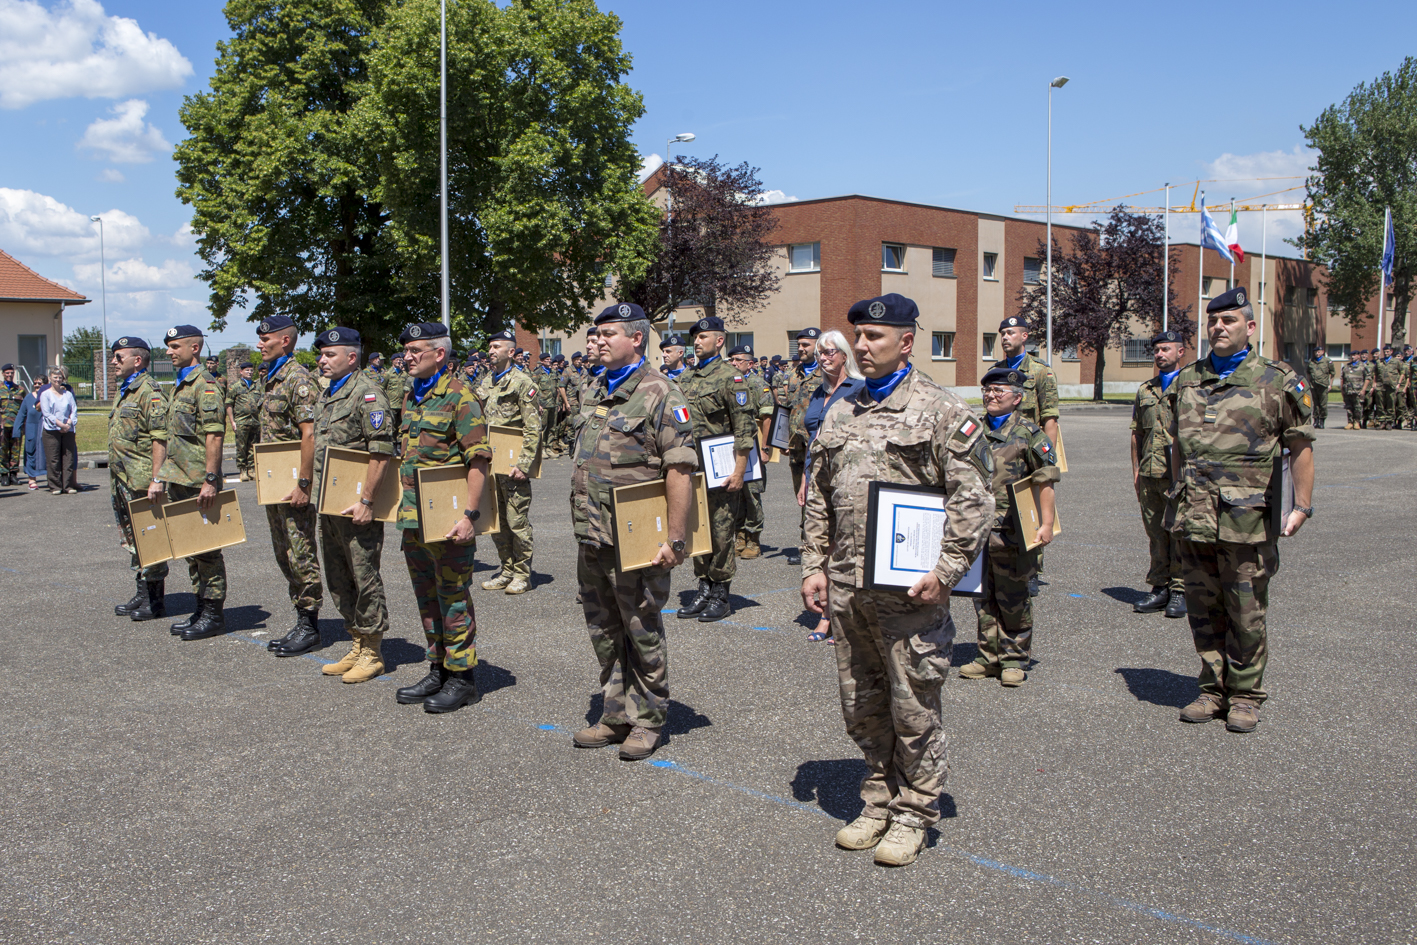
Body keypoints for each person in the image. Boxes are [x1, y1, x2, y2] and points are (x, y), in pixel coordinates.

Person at [801, 292, 993, 867]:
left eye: (874, 337)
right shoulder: (842, 409)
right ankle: (879, 796)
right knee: (862, 701)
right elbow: (821, 497)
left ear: (906, 341)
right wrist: (813, 564)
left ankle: (915, 812)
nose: (862, 346)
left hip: (911, 592)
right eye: (857, 335)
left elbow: (975, 499)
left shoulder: (940, 410)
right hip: (848, 586)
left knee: (913, 705)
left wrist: (947, 570)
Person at [1170, 287, 1314, 733]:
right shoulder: (1187, 379)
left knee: (1246, 610)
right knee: (1203, 605)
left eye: (1229, 320)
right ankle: (1213, 689)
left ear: (1250, 327)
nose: (1218, 328)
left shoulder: (1278, 379)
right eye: (1214, 321)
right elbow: (1177, 443)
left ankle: (1246, 696)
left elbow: (1300, 447)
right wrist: (1177, 489)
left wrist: (1302, 506)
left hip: (1247, 518)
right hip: (1194, 514)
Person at [569, 302, 698, 761]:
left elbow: (680, 470)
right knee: (604, 627)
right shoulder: (593, 389)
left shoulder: (662, 393)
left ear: (637, 338)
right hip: (593, 533)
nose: (599, 340)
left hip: (638, 537)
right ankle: (615, 711)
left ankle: (648, 718)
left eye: (610, 333)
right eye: (597, 334)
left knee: (640, 625)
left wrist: (676, 539)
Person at [392, 321, 492, 714]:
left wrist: (470, 515)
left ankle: (463, 678)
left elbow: (479, 461)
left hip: (449, 522)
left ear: (440, 354)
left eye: (417, 350)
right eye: (407, 350)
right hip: (415, 520)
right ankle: (438, 667)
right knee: (426, 597)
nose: (408, 356)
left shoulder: (459, 397)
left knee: (452, 598)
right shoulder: (411, 397)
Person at [958, 366, 1059, 686]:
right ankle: (988, 656)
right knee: (982, 595)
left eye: (999, 391)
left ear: (1017, 398)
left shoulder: (1030, 434)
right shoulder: (970, 429)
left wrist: (1046, 525)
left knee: (1013, 597)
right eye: (987, 391)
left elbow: (1045, 482)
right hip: (976, 529)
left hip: (1012, 531)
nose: (991, 396)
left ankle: (1014, 657)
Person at [310, 328, 395, 684]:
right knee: (337, 576)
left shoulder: (368, 393)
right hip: (329, 502)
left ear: (352, 356)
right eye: (322, 355)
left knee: (364, 577)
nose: (322, 360)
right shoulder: (327, 393)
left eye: (330, 354)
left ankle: (373, 650)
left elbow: (381, 451)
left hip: (356, 505)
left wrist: (367, 500)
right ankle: (356, 641)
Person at [151, 325, 229, 640]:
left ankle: (214, 614)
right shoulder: (180, 384)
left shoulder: (205, 385)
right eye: (168, 346)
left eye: (175, 346)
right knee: (191, 550)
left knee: (207, 550)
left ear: (194, 348)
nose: (170, 351)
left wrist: (211, 479)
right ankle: (200, 608)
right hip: (179, 478)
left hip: (199, 481)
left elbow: (214, 434)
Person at [253, 316, 325, 657]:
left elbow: (309, 434)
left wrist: (304, 483)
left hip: (295, 482)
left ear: (285, 341)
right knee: (283, 551)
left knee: (300, 552)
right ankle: (300, 614)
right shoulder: (268, 378)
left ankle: (309, 624)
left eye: (265, 339)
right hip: (274, 482)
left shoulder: (298, 379)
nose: (259, 344)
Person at [676, 316, 755, 622]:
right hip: (691, 467)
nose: (697, 341)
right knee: (696, 528)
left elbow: (744, 427)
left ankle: (721, 592)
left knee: (721, 530)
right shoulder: (685, 378)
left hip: (720, 469)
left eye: (703, 337)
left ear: (719, 341)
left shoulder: (731, 378)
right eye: (694, 337)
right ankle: (704, 587)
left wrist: (739, 470)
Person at [795, 330, 866, 643]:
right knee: (818, 544)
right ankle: (827, 611)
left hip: (848, 480)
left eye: (830, 352)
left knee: (844, 548)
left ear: (844, 355)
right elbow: (813, 440)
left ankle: (837, 617)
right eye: (820, 353)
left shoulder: (859, 388)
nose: (824, 358)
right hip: (816, 479)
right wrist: (804, 478)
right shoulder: (816, 393)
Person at [108, 336, 170, 622]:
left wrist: (157, 478)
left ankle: (155, 600)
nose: (113, 362)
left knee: (151, 537)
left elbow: (160, 439)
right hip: (123, 477)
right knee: (133, 537)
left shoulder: (150, 392)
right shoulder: (126, 390)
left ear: (138, 360)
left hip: (142, 479)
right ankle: (142, 590)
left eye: (119, 357)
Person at [476, 329, 542, 595]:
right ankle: (506, 570)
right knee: (497, 521)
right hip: (492, 463)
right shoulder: (487, 382)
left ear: (511, 352)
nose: (491, 351)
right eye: (490, 346)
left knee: (517, 522)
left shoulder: (522, 383)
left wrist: (524, 464)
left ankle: (522, 575)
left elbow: (533, 428)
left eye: (496, 346)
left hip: (513, 465)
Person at [1129, 330, 1188, 618]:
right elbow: (1136, 435)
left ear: (1181, 353)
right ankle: (1160, 587)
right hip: (1150, 474)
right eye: (1156, 350)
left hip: (1179, 476)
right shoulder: (1145, 391)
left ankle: (1180, 589)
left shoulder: (1191, 388)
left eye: (1166, 349)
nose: (1160, 354)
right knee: (1155, 533)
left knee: (1178, 532)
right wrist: (1136, 471)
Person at [778, 328, 823, 567]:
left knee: (818, 495)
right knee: (802, 496)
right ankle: (806, 544)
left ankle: (816, 545)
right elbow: (784, 409)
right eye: (800, 345)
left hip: (817, 445)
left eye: (806, 344)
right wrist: (781, 440)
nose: (801, 349)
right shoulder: (791, 374)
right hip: (796, 446)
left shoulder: (826, 372)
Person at [728, 343, 772, 560]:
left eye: (739, 360)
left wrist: (765, 448)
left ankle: (754, 538)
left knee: (752, 494)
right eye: (732, 360)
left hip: (753, 446)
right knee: (735, 492)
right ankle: (740, 536)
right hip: (734, 446)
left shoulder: (758, 385)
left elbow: (767, 418)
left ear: (751, 363)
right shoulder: (729, 382)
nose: (734, 364)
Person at [39, 367, 78, 494]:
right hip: (51, 430)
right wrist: (60, 425)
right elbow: (47, 413)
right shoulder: (45, 394)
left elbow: (74, 410)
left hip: (68, 429)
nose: (57, 380)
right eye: (55, 377)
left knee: (68, 457)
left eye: (60, 377)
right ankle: (55, 486)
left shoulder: (68, 394)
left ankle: (68, 485)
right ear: (50, 378)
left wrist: (68, 424)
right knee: (53, 458)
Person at [226, 362, 261, 480]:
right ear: (241, 372)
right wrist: (232, 421)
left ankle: (251, 469)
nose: (250, 372)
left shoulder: (257, 386)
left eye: (251, 370)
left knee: (253, 447)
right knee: (241, 447)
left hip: (255, 421)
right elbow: (229, 404)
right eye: (247, 370)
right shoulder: (235, 386)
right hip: (241, 421)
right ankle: (242, 470)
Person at [12, 378, 46, 490]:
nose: (36, 385)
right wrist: (16, 432)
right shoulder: (28, 398)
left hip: (45, 429)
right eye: (35, 383)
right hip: (31, 429)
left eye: (39, 383)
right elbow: (21, 415)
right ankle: (32, 479)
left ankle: (52, 479)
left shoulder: (48, 396)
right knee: (30, 454)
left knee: (48, 454)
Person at [0, 364, 24, 486]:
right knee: (3, 450)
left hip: (16, 425)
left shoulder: (20, 389)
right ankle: (4, 475)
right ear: (3, 373)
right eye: (7, 373)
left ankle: (13, 474)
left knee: (15, 450)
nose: (9, 375)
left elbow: (24, 409)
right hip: (2, 426)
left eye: (11, 373)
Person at [1305, 345, 1333, 430]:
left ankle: (1322, 420)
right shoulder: (1311, 361)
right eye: (1316, 352)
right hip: (1314, 385)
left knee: (1323, 404)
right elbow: (1308, 373)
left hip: (1323, 385)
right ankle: (1316, 420)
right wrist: (1309, 383)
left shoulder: (1327, 361)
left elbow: (1332, 373)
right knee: (1315, 404)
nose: (1317, 353)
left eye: (1319, 352)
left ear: (1322, 352)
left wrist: (1330, 384)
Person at [1340, 351, 1367, 429]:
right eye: (1351, 355)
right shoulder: (1346, 367)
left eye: (1355, 355)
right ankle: (1350, 422)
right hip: (1348, 390)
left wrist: (1363, 390)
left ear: (1358, 356)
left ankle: (1357, 422)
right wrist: (1342, 390)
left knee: (1358, 407)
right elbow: (1342, 379)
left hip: (1357, 390)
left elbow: (1367, 378)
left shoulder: (1363, 366)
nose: (1353, 357)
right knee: (1348, 407)